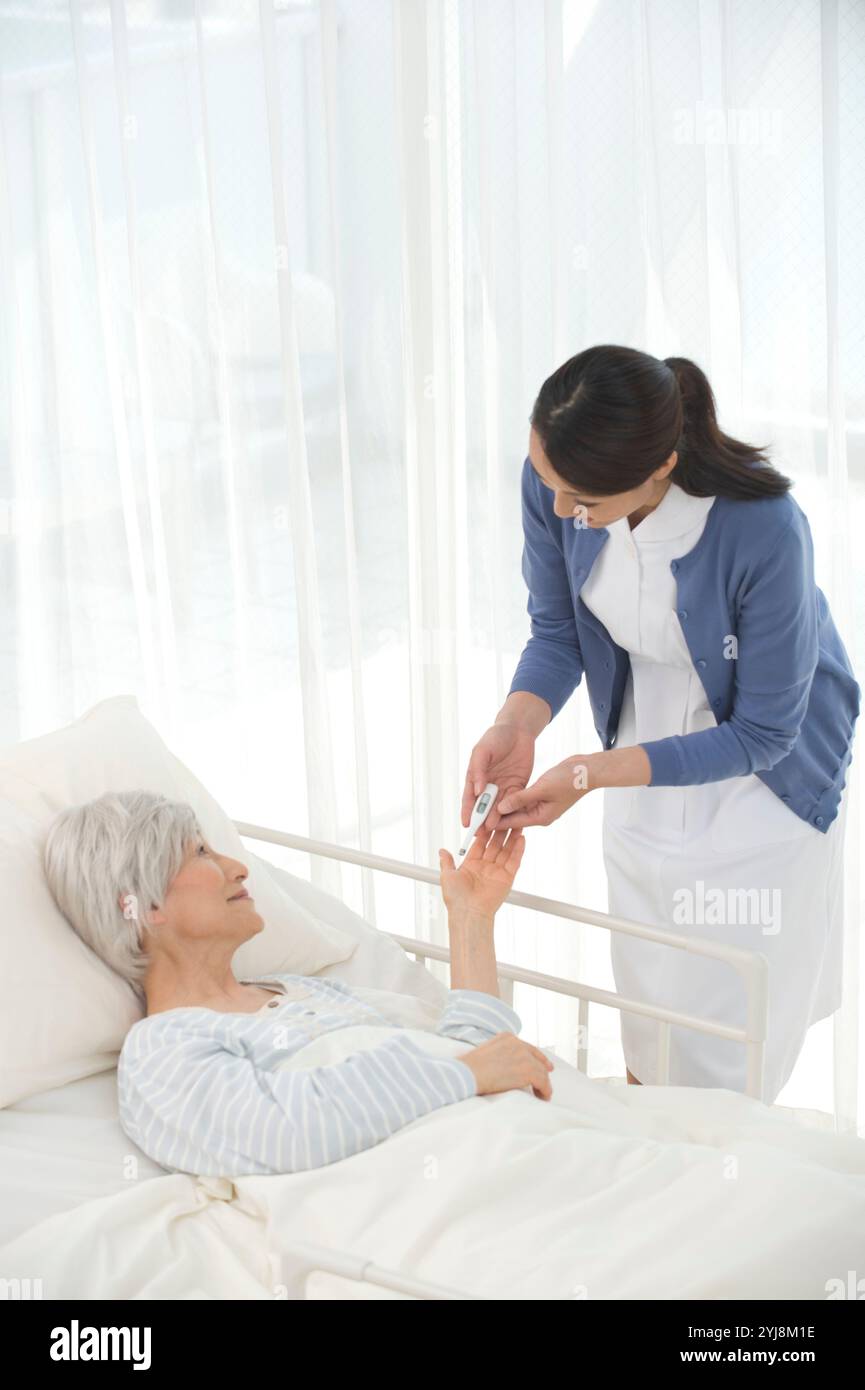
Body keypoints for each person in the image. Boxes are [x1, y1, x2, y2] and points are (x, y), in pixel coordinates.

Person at [462, 344, 859, 1101]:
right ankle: (656, 1140)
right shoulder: (558, 481)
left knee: (732, 1033)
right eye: (548, 482)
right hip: (641, 749)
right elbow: (556, 632)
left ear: (659, 470)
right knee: (652, 1006)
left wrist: (589, 773)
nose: (558, 511)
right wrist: (518, 723)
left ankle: (727, 1165)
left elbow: (763, 733)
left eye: (581, 502)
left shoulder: (764, 529)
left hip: (763, 780)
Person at [42, 789, 550, 1177]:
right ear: (143, 904)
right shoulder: (163, 1050)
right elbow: (292, 1132)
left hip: (519, 1143)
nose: (238, 867)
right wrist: (466, 1074)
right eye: (200, 852)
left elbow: (479, 1062)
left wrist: (471, 918)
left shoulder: (303, 991)